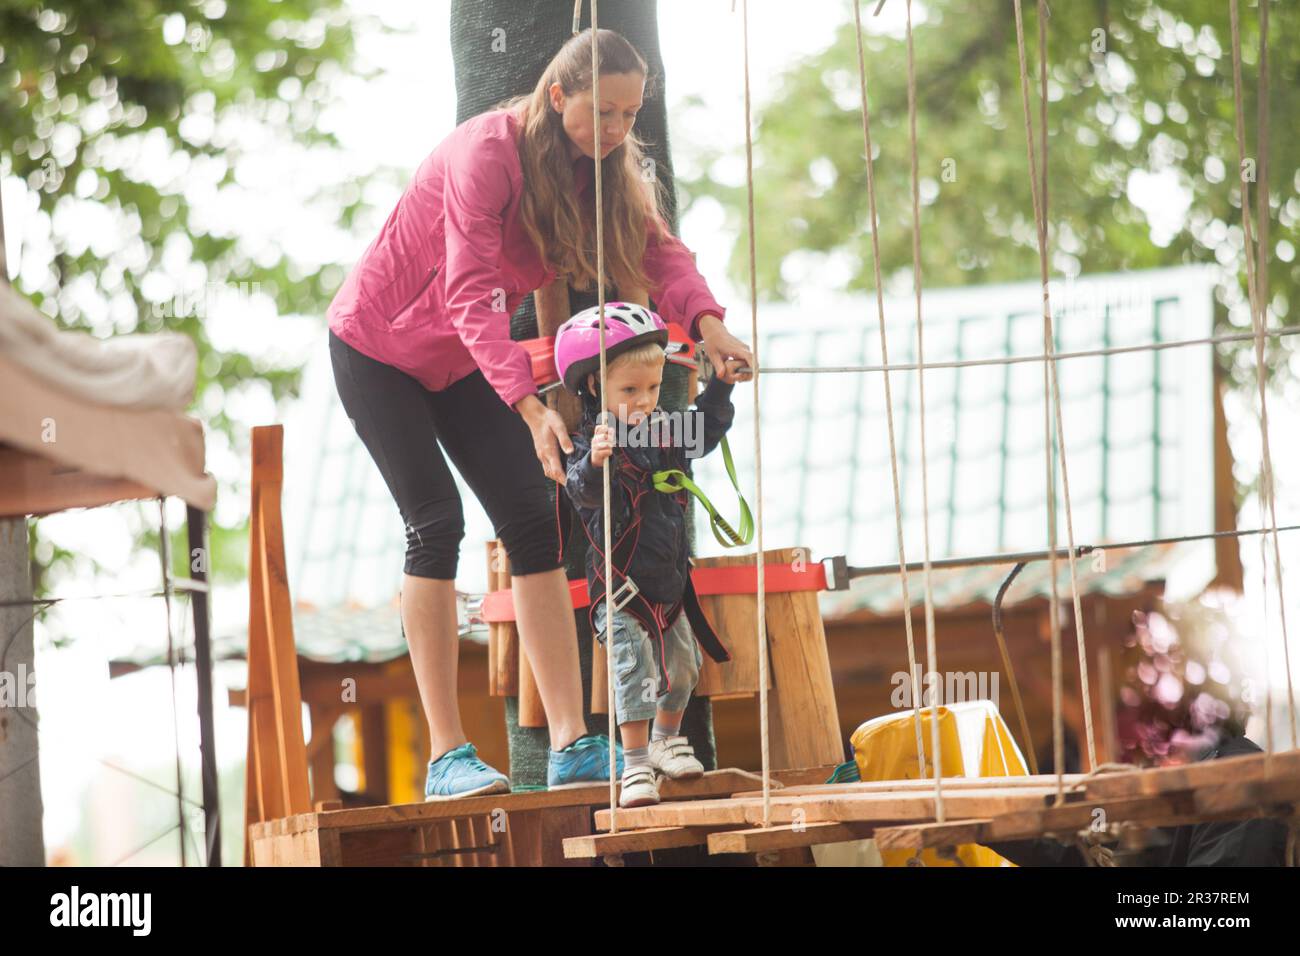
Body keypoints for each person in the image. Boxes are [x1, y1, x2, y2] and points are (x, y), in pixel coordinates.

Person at [326, 27, 755, 799]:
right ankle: (448, 757)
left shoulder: (605, 171)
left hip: (458, 358)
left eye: (631, 114)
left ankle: (569, 745)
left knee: (533, 517)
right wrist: (527, 406)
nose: (619, 130)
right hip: (378, 347)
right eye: (605, 112)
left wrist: (711, 325)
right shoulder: (484, 153)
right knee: (436, 523)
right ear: (558, 97)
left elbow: (660, 255)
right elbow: (469, 295)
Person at [556, 302, 752, 807]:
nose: (644, 401)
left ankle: (665, 740)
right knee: (634, 671)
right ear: (597, 389)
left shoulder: (665, 430)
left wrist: (723, 386)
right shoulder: (592, 444)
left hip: (668, 583)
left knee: (685, 666)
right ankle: (636, 765)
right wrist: (595, 463)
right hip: (622, 592)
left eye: (650, 388)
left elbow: (705, 430)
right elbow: (579, 493)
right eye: (629, 391)